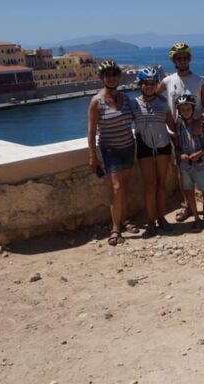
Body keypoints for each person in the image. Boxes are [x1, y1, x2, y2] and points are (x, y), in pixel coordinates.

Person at [157, 42, 204, 223]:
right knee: (182, 171)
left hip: (197, 133)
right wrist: (167, 118)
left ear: (190, 58)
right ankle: (188, 207)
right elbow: (154, 98)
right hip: (177, 133)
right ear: (174, 60)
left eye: (185, 57)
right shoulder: (167, 81)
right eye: (178, 57)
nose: (182, 60)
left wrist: (198, 121)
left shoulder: (200, 81)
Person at [87, 60, 138, 246]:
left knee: (124, 186)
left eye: (114, 74)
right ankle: (115, 228)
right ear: (102, 78)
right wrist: (93, 156)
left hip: (128, 147)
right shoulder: (96, 102)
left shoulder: (125, 99)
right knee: (116, 188)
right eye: (107, 75)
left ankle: (124, 220)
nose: (111, 78)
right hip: (110, 151)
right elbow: (91, 132)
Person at [130, 67, 177, 238]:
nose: (149, 86)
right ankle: (150, 221)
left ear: (156, 84)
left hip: (163, 145)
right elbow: (123, 119)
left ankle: (161, 218)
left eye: (152, 83)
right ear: (140, 84)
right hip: (144, 146)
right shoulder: (134, 103)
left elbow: (172, 125)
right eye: (145, 83)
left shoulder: (164, 103)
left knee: (162, 184)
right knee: (149, 185)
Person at [173, 94, 204, 231]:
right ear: (179, 111)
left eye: (188, 108)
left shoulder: (200, 125)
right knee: (189, 193)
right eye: (183, 109)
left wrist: (198, 154)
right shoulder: (178, 127)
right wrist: (181, 155)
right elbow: (177, 147)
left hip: (200, 164)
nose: (185, 111)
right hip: (185, 165)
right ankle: (196, 218)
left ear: (193, 109)